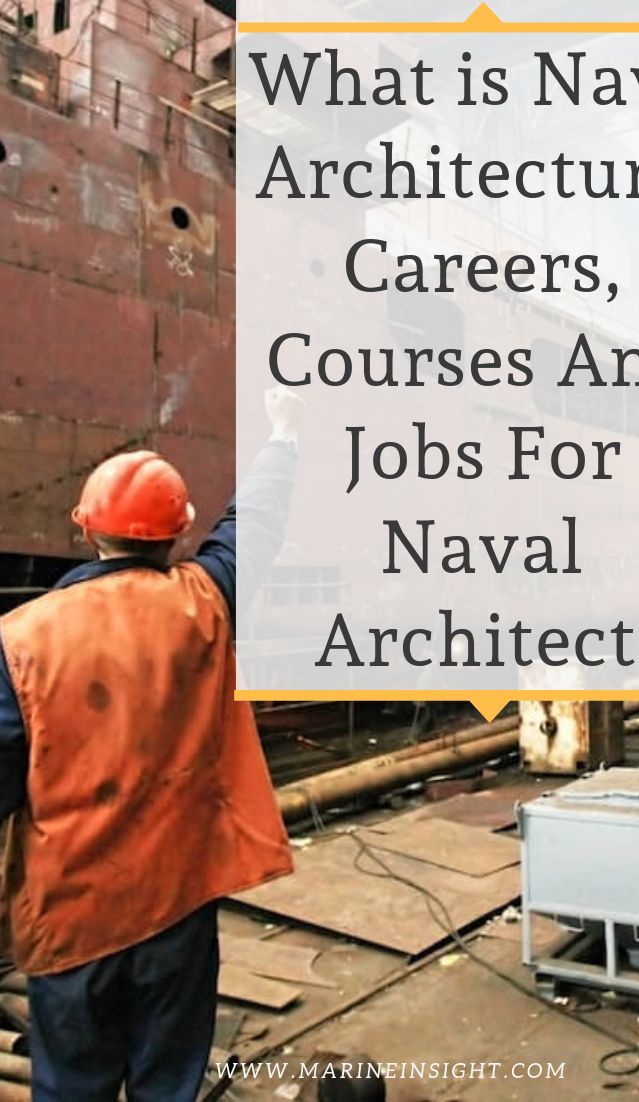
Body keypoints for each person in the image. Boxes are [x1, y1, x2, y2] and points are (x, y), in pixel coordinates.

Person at [0, 387, 302, 1101]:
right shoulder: (206, 602)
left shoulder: (21, 641)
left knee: (73, 1084)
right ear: (176, 534)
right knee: (170, 1081)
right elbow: (254, 525)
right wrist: (284, 438)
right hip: (176, 908)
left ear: (86, 530)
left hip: (73, 921)